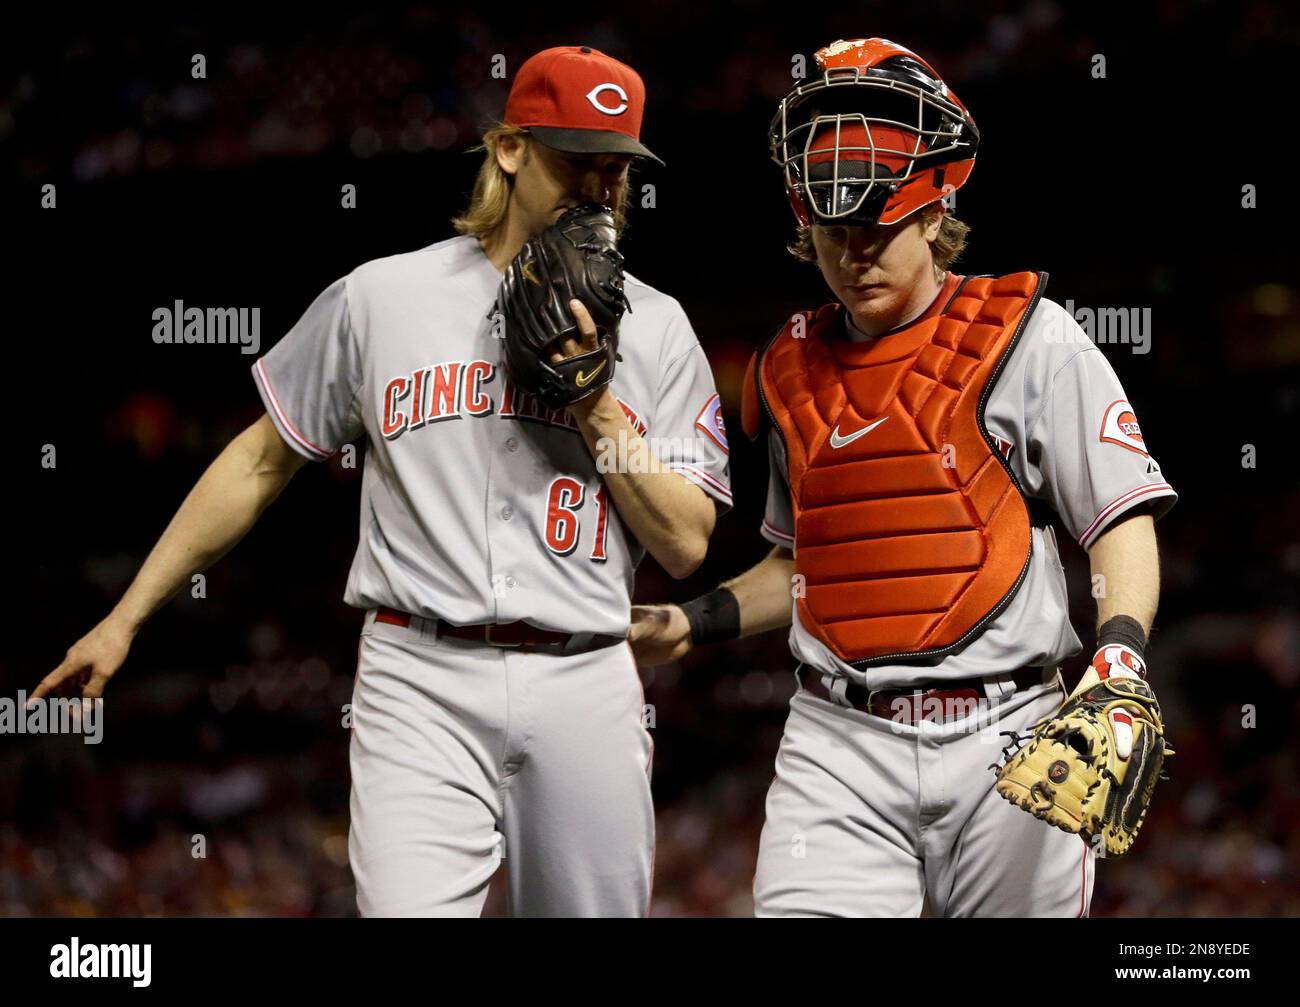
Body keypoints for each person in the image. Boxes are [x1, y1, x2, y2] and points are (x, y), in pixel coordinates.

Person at [33, 45, 731, 917]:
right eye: (573, 162)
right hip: (419, 674)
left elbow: (685, 541)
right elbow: (259, 459)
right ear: (510, 149)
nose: (597, 189)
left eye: (615, 170)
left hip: (583, 675)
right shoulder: (382, 298)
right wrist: (126, 616)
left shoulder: (658, 328)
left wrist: (597, 406)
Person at [629, 37, 1176, 917]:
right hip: (838, 741)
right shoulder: (784, 368)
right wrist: (688, 623)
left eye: (876, 228)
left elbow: (1117, 517)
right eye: (834, 233)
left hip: (1017, 728)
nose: (855, 254)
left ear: (933, 210)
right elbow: (800, 565)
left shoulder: (1030, 338)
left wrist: (1118, 657)